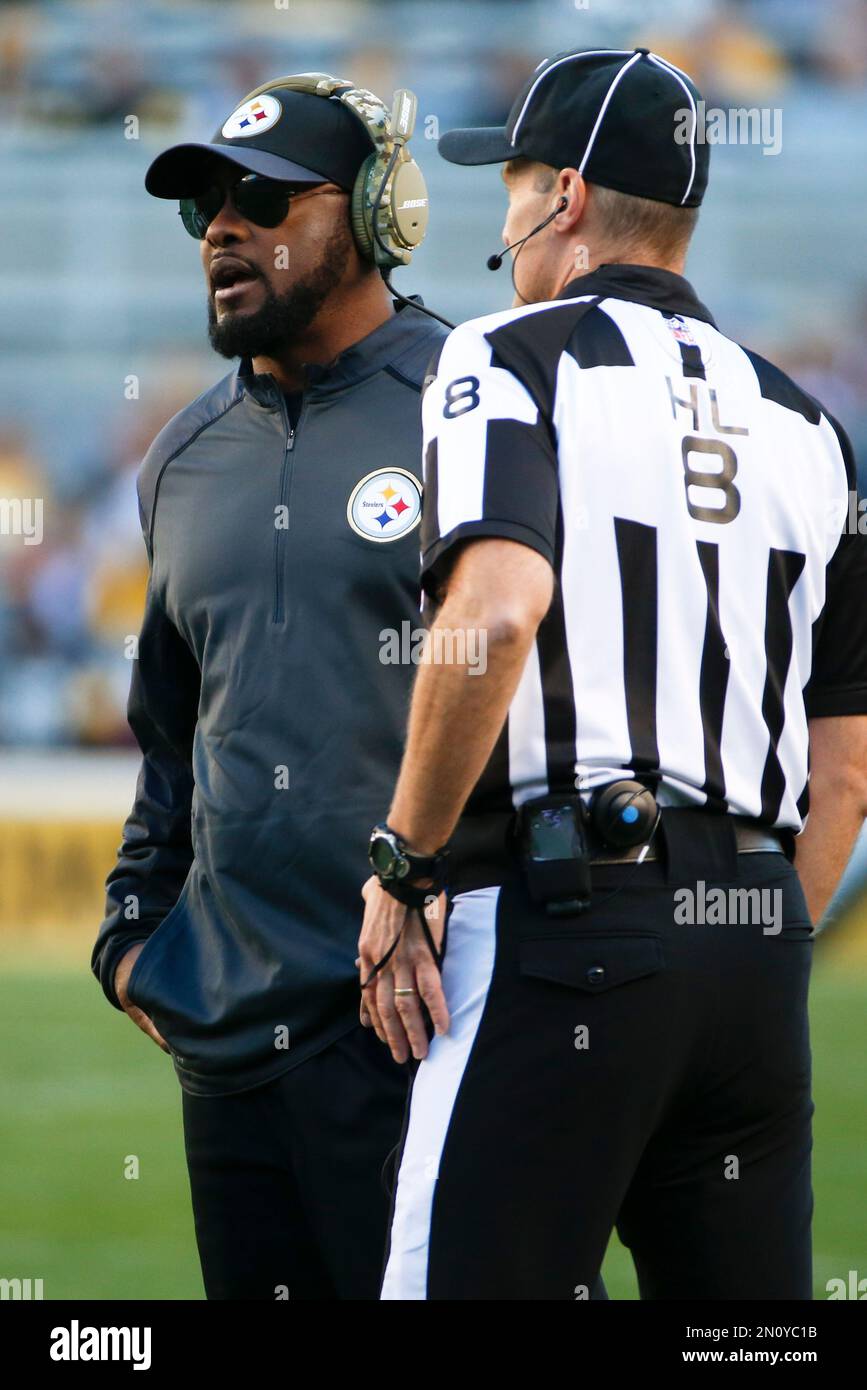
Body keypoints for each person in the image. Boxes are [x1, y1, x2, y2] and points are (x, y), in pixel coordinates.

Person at [357, 46, 867, 1300]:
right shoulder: (810, 425)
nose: (504, 219)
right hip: (755, 953)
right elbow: (846, 772)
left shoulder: (508, 355)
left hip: (570, 918)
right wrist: (757, 941)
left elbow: (495, 612)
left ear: (567, 198)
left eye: (515, 183)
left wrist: (405, 862)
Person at [91, 72, 448, 1300]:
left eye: (263, 199)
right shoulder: (182, 457)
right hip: (232, 1044)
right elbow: (169, 736)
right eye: (206, 208)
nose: (225, 230)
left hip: (427, 1025)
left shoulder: (474, 404)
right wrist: (131, 931)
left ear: (377, 211)